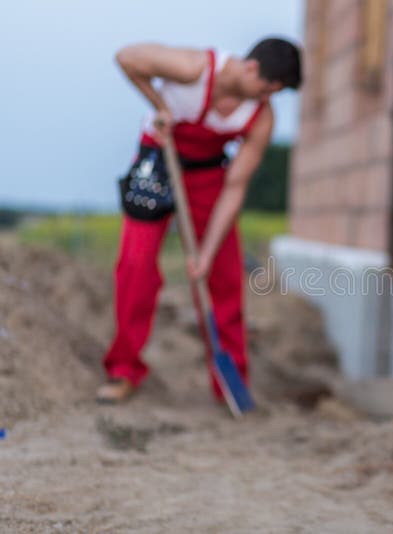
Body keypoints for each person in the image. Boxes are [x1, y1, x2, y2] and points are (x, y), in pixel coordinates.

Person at [97, 37, 302, 404]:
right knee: (135, 265)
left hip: (208, 178)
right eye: (267, 87)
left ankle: (229, 381)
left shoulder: (261, 117)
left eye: (276, 92)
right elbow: (125, 57)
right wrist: (159, 106)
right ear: (252, 67)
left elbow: (235, 188)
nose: (268, 96)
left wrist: (206, 253)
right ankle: (123, 369)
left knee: (222, 276)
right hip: (159, 161)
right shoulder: (194, 68)